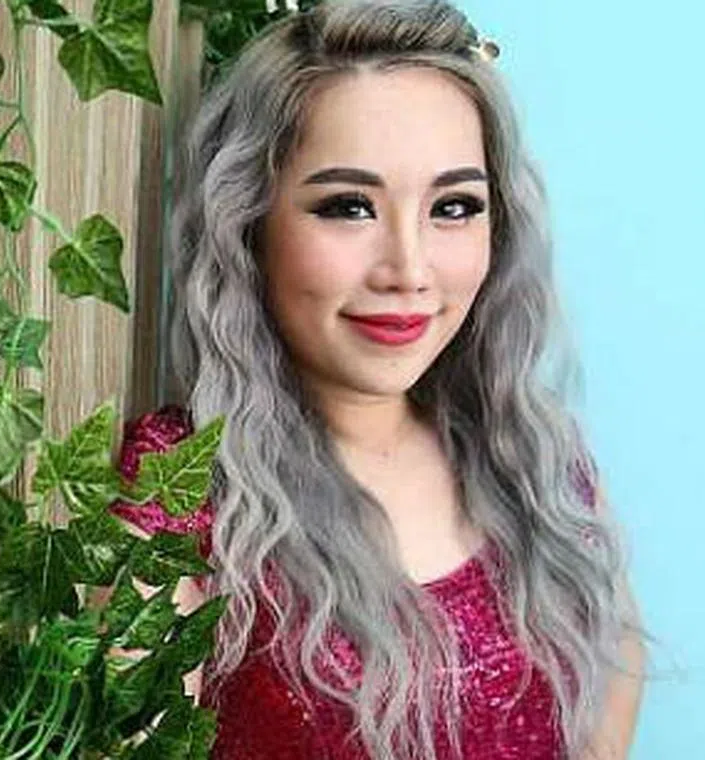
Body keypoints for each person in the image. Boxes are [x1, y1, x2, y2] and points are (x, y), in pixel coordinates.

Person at [109, 1, 646, 757]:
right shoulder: (182, 496)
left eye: (453, 207)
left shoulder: (540, 469)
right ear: (247, 223)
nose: (409, 270)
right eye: (349, 206)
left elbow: (611, 700)